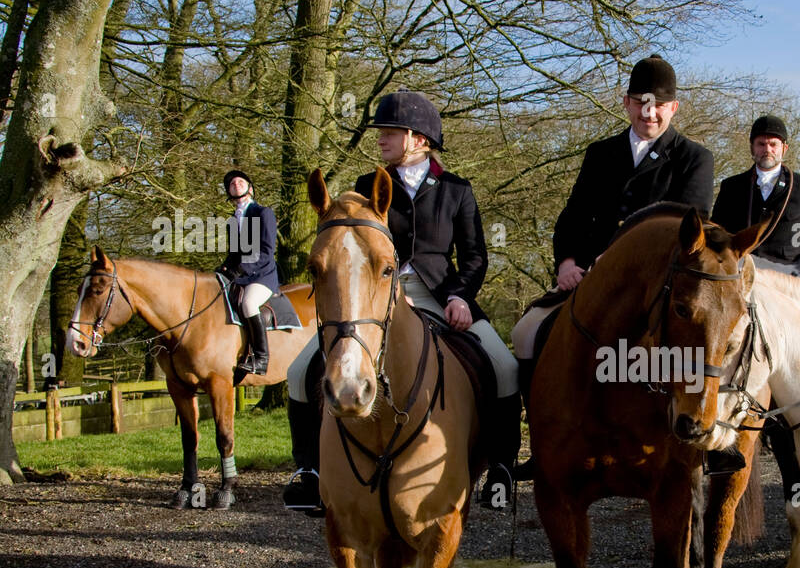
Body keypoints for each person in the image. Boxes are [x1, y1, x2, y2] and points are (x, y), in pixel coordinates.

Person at [283, 90, 521, 513]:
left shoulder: (456, 191)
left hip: (440, 295)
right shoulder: (365, 187)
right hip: (374, 297)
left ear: (419, 138)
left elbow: (474, 257)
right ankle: (310, 472)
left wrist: (461, 297)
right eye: (382, 133)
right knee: (300, 369)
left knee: (503, 365)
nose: (381, 139)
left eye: (390, 132)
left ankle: (501, 468)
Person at [510, 54, 716, 471]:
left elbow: (686, 227)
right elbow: (572, 216)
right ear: (625, 104)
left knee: (708, 338)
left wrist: (619, 258)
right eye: (641, 102)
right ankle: (543, 441)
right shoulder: (600, 153)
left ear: (673, 108)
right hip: (588, 279)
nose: (649, 112)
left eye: (659, 104)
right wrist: (567, 261)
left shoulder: (694, 158)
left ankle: (713, 438)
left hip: (655, 286)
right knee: (525, 332)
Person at [711, 114, 800, 277]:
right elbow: (715, 233)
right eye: (761, 144)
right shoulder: (731, 187)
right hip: (742, 274)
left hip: (786, 278)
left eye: (773, 144)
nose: (767, 150)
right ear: (752, 148)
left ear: (784, 148)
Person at [218, 170, 279, 384]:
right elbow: (234, 254)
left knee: (248, 304)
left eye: (240, 181)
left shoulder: (263, 213)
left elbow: (267, 250)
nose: (236, 184)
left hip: (263, 274)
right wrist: (223, 269)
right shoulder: (232, 220)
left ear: (250, 188)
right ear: (228, 192)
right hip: (242, 275)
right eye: (232, 183)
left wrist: (243, 268)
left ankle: (261, 358)